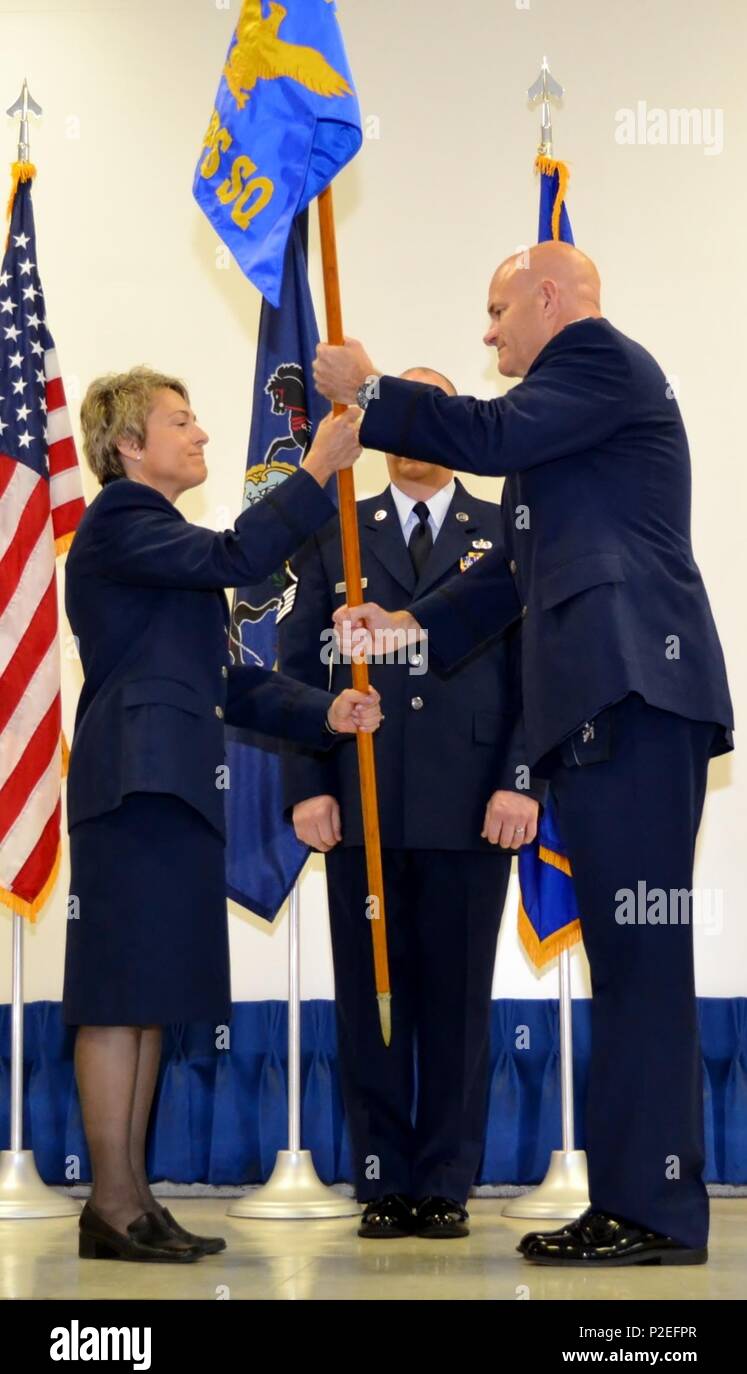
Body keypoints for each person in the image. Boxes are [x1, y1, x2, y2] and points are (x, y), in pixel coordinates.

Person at [311, 241, 734, 1267]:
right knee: (628, 968)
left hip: (634, 694)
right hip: (604, 707)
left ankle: (655, 1212)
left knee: (642, 966)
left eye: (498, 311)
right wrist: (402, 627)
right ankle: (636, 1202)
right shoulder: (568, 426)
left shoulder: (596, 360)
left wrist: (370, 390)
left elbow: (487, 435)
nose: (490, 332)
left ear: (552, 299)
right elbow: (506, 574)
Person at [63, 367, 381, 1263]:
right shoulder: (123, 520)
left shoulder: (156, 539)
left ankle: (131, 1201)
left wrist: (320, 711)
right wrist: (314, 468)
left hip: (168, 785)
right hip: (136, 786)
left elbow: (229, 680)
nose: (201, 434)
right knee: (118, 996)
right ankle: (112, 1205)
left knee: (147, 995)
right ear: (130, 447)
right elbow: (240, 557)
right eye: (180, 421)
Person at [279, 367, 540, 1239]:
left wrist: (520, 777)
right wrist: (308, 785)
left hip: (473, 802)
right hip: (362, 802)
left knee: (459, 1002)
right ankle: (383, 1179)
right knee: (371, 997)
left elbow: (532, 671)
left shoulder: (506, 531)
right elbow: (294, 673)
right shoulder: (337, 534)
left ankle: (446, 1183)